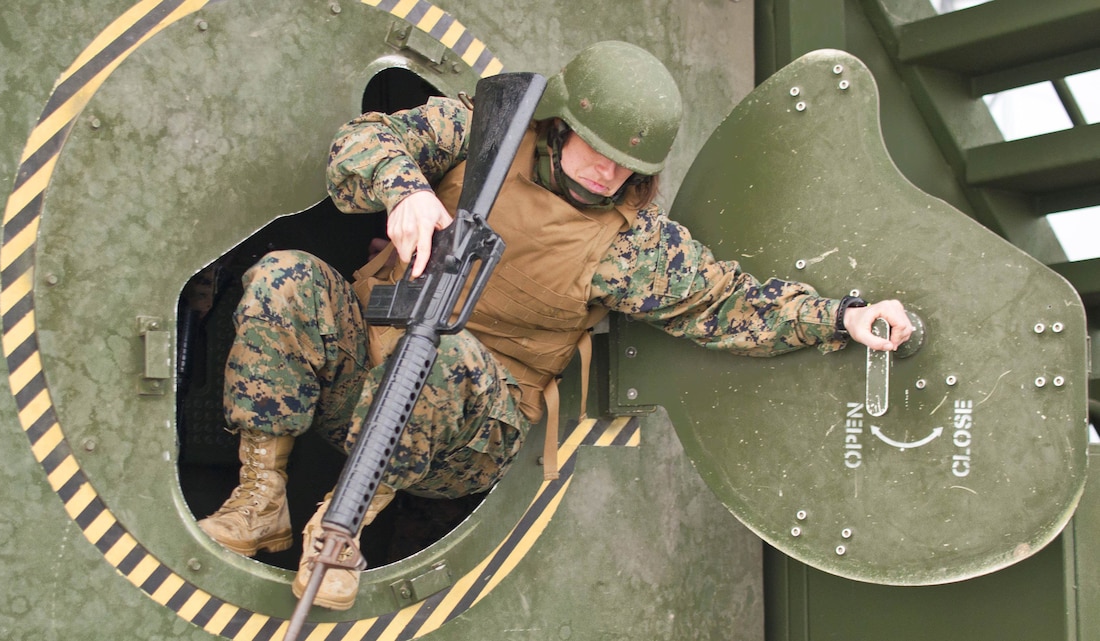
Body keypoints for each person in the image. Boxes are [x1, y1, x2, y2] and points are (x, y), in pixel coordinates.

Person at [196, 41, 914, 610]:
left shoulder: (631, 245)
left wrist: (843, 316)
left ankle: (341, 529)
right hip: (364, 361)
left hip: (469, 427)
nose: (608, 174)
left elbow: (725, 303)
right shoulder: (487, 132)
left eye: (627, 165)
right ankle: (261, 496)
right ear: (561, 123)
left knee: (445, 355)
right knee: (285, 277)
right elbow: (360, 145)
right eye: (597, 149)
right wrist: (406, 190)